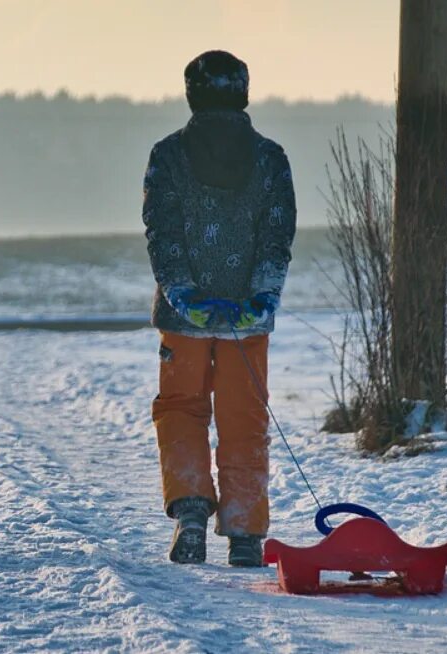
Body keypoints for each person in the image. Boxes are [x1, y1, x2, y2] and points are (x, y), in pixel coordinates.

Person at [141, 51, 296, 566]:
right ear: (243, 93)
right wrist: (262, 295)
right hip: (248, 321)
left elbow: (162, 234)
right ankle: (246, 533)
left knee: (182, 408)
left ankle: (190, 513)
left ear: (192, 94)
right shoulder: (271, 158)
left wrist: (182, 291)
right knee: (243, 418)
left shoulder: (166, 156)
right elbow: (278, 236)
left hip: (185, 319)